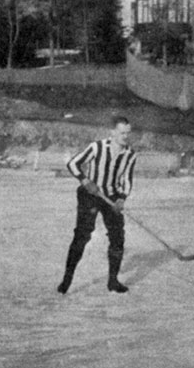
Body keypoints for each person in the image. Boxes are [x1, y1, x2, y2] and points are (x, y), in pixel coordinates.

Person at [56, 115, 138, 294]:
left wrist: (122, 198)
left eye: (128, 133)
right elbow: (73, 164)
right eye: (122, 133)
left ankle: (113, 281)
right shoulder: (97, 147)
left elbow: (126, 178)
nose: (125, 136)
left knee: (118, 237)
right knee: (82, 235)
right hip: (90, 195)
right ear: (112, 132)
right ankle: (67, 280)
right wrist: (85, 180)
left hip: (111, 196)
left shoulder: (130, 154)